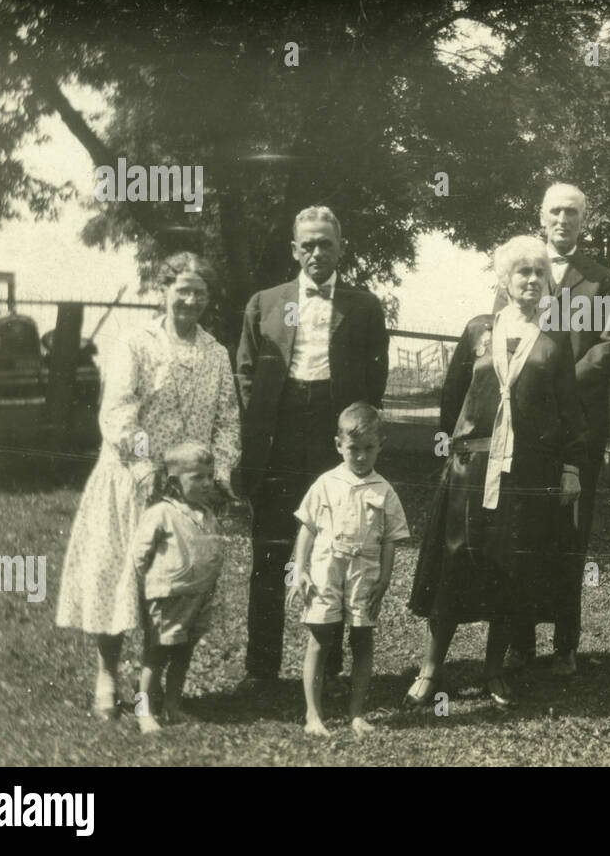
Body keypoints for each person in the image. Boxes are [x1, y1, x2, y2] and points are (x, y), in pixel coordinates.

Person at [55, 252, 240, 720]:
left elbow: (228, 421)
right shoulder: (135, 343)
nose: (191, 300)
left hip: (188, 493)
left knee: (177, 588)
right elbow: (119, 409)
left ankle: (156, 690)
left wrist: (213, 474)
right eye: (182, 289)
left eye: (199, 292)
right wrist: (146, 467)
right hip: (131, 479)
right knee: (120, 579)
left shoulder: (216, 353)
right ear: (164, 290)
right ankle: (107, 678)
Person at [406, 236, 585, 708]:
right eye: (520, 272)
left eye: (538, 273)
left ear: (548, 282)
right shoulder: (477, 330)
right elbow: (451, 399)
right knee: (455, 563)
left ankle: (493, 671)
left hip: (527, 472)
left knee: (511, 569)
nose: (530, 280)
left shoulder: (554, 340)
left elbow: (569, 412)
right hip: (472, 467)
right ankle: (430, 668)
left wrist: (567, 468)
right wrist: (455, 449)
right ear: (504, 281)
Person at [236, 206, 390, 687]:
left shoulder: (363, 306)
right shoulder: (265, 301)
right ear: (294, 250)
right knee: (271, 553)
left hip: (333, 433)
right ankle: (260, 669)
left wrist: (351, 433)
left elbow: (375, 376)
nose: (317, 252)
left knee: (337, 548)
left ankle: (327, 666)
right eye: (308, 244)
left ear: (341, 247)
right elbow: (244, 371)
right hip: (280, 436)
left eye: (326, 243)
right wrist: (262, 420)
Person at [493, 183, 610, 677]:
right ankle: (520, 641)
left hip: (578, 430)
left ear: (584, 220)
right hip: (523, 431)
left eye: (572, 212)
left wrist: (558, 381)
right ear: (542, 218)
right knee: (521, 531)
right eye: (555, 212)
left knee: (571, 535)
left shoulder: (601, 280)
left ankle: (566, 643)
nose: (563, 219)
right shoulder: (520, 270)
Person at [286, 403, 409, 736]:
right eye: (353, 448)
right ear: (339, 445)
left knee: (362, 639)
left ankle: (356, 713)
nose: (360, 456)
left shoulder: (384, 490)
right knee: (319, 639)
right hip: (327, 568)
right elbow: (307, 528)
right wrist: (301, 569)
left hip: (364, 573)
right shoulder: (325, 483)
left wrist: (384, 578)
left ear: (380, 445)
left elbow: (390, 541)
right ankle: (314, 715)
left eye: (369, 448)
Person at [131, 442, 226, 734]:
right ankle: (143, 711)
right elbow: (138, 555)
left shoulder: (206, 514)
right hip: (168, 597)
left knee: (183, 654)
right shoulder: (161, 512)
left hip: (198, 596)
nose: (207, 483)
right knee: (157, 654)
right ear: (174, 482)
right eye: (197, 477)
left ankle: (172, 706)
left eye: (210, 476)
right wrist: (143, 592)